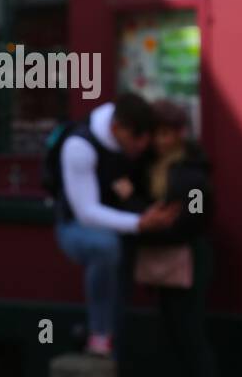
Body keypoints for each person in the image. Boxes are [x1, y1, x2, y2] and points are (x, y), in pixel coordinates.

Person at [139, 99, 236, 377]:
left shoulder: (192, 173)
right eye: (156, 134)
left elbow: (193, 219)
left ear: (180, 134)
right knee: (171, 339)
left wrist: (150, 228)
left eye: (167, 134)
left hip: (189, 260)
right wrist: (148, 223)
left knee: (193, 339)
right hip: (162, 261)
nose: (160, 141)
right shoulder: (150, 167)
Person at [53, 93, 178, 357]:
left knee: (120, 297)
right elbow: (85, 212)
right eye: (136, 142)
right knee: (105, 247)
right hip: (76, 227)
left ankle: (109, 343)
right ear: (116, 129)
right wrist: (140, 222)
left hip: (127, 229)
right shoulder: (80, 145)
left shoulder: (132, 126)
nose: (141, 148)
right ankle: (99, 334)